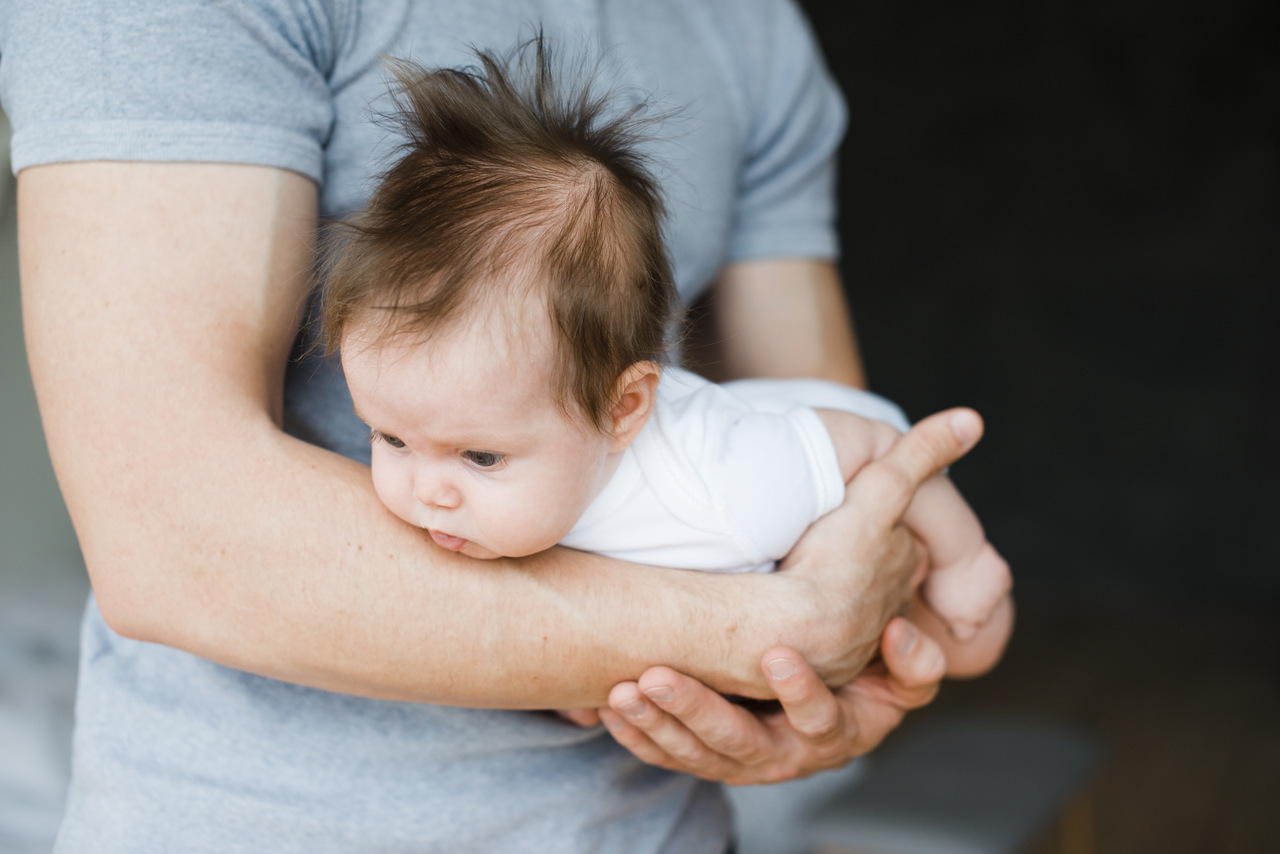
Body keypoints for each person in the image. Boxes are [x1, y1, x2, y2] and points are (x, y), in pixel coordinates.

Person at [2, 1, 1000, 850]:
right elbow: (171, 527)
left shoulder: (741, 26)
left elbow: (830, 469)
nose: (426, 479)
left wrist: (826, 650)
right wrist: (761, 633)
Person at [323, 45, 1013, 674]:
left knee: (969, 645)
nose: (428, 491)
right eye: (390, 437)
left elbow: (884, 451)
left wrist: (960, 557)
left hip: (832, 448)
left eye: (480, 458)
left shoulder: (737, 486)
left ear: (622, 411)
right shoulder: (507, 461)